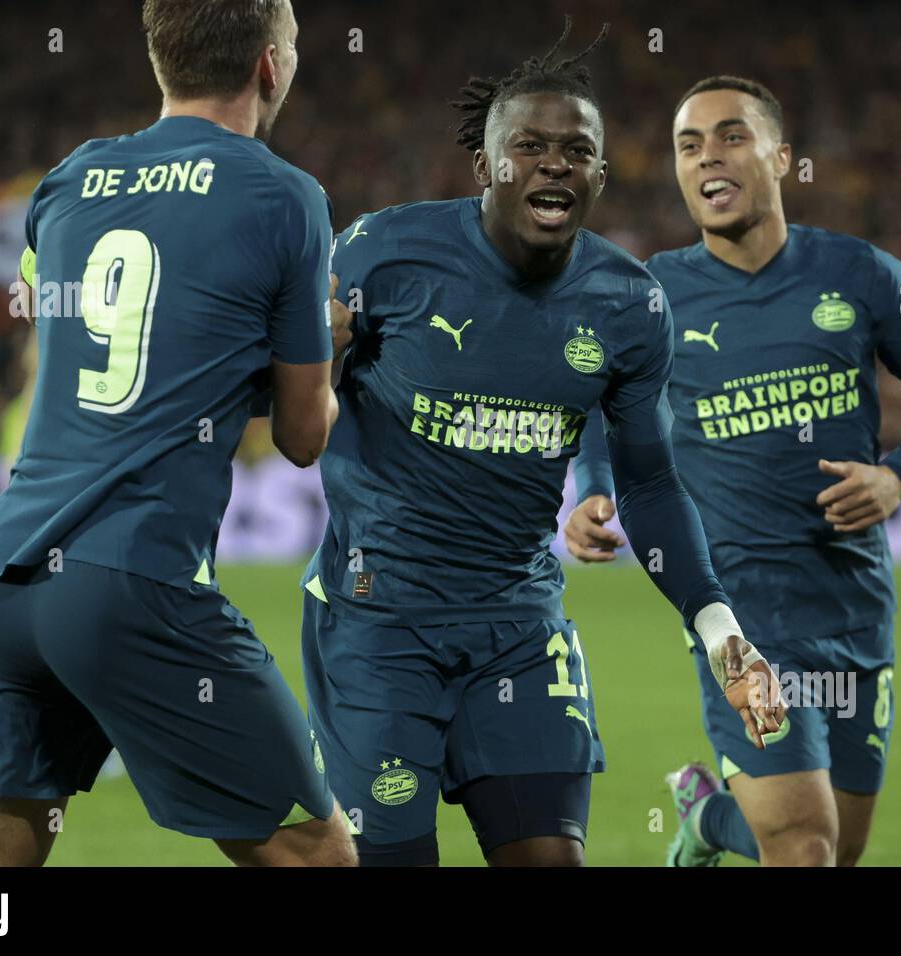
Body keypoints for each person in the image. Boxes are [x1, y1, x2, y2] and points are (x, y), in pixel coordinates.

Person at [301, 23, 784, 867]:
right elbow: (288, 418)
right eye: (529, 145)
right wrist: (308, 355)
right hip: (379, 626)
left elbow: (652, 487)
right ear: (486, 165)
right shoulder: (383, 255)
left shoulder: (629, 304)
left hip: (519, 626)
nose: (555, 162)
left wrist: (721, 633)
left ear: (599, 173)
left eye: (577, 150)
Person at [0, 0, 354, 867]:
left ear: (160, 62)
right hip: (132, 578)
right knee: (318, 856)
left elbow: (53, 317)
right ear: (270, 68)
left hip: (11, 570)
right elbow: (302, 437)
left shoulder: (70, 179)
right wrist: (328, 346)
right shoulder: (286, 196)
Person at [565, 75, 901, 867]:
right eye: (688, 146)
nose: (706, 158)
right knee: (803, 851)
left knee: (837, 851)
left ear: (781, 157)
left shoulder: (860, 275)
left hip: (854, 609)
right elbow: (597, 405)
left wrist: (899, 477)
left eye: (729, 136)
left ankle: (706, 820)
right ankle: (728, 819)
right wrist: (591, 490)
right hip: (738, 614)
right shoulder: (648, 295)